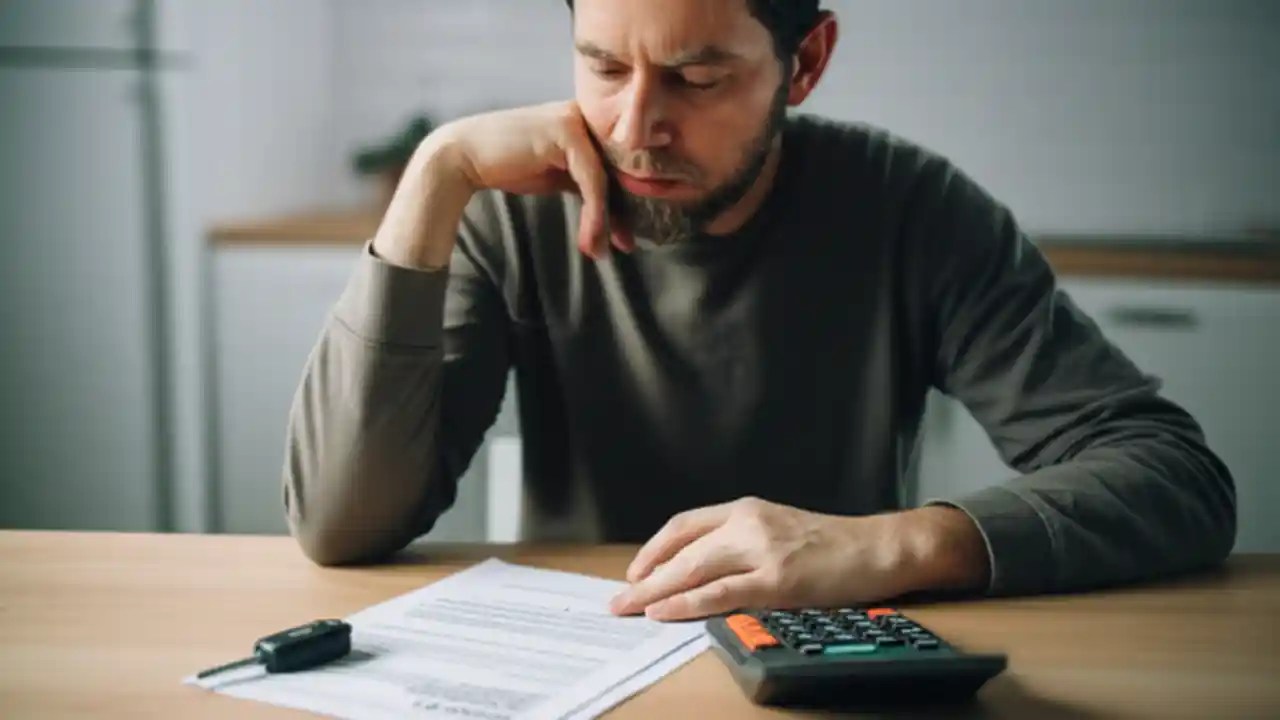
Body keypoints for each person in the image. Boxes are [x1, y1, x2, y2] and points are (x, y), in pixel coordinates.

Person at [282, 0, 1236, 622]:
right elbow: (340, 526)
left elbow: (1173, 477)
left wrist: (882, 545)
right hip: (586, 666)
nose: (633, 128)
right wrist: (437, 175)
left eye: (698, 80)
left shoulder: (913, 210)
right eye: (603, 67)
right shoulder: (510, 208)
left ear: (806, 61)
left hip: (832, 667)